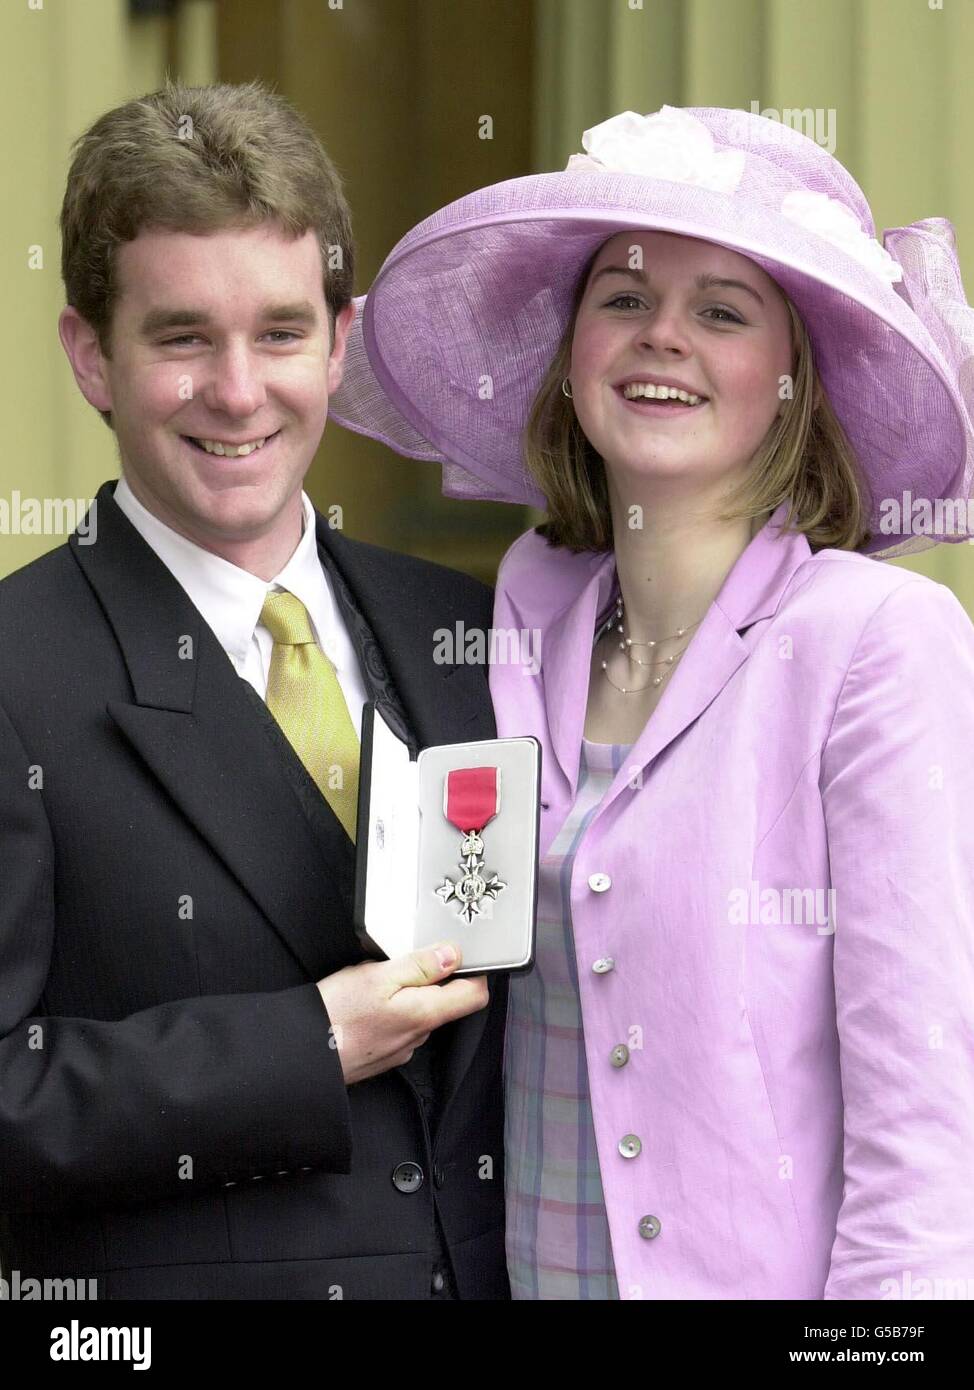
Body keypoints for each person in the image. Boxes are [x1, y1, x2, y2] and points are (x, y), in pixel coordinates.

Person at [330, 105, 974, 1299]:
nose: (659, 335)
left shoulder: (875, 643)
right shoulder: (521, 618)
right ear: (571, 353)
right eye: (621, 299)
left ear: (789, 382)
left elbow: (925, 1126)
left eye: (721, 311)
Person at [0, 78, 510, 1301]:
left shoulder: (474, 632)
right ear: (90, 356)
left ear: (339, 341)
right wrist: (306, 1045)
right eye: (181, 337)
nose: (238, 390)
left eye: (280, 333)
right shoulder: (17, 666)